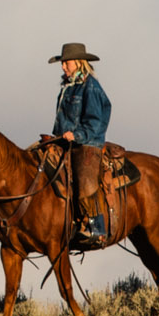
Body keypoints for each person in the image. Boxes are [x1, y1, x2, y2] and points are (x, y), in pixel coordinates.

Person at [49, 42, 112, 245]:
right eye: (63, 63)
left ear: (79, 63)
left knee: (85, 179)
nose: (63, 67)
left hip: (88, 142)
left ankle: (96, 227)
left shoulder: (90, 86)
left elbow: (96, 119)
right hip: (65, 142)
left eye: (66, 62)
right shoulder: (68, 86)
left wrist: (77, 135)